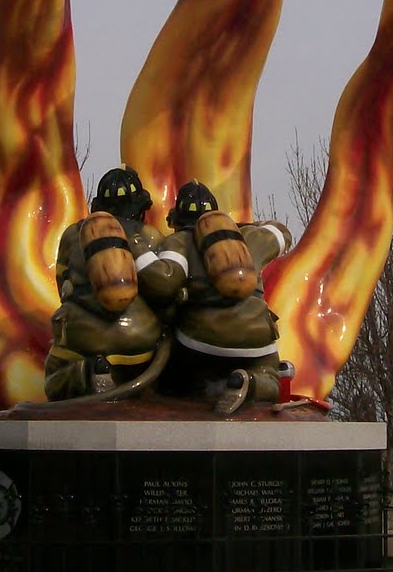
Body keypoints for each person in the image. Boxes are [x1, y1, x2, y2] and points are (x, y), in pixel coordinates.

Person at [154, 180, 293, 413]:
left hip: (201, 342)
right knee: (272, 376)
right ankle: (252, 383)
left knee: (178, 378)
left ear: (176, 220)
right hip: (257, 339)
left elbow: (165, 283)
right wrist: (246, 226)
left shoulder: (178, 241)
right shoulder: (249, 237)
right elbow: (283, 233)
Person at [43, 166, 178, 400]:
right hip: (141, 339)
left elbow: (62, 289)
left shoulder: (73, 234)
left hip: (82, 338)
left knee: (52, 381)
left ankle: (86, 372)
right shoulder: (151, 236)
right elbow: (161, 290)